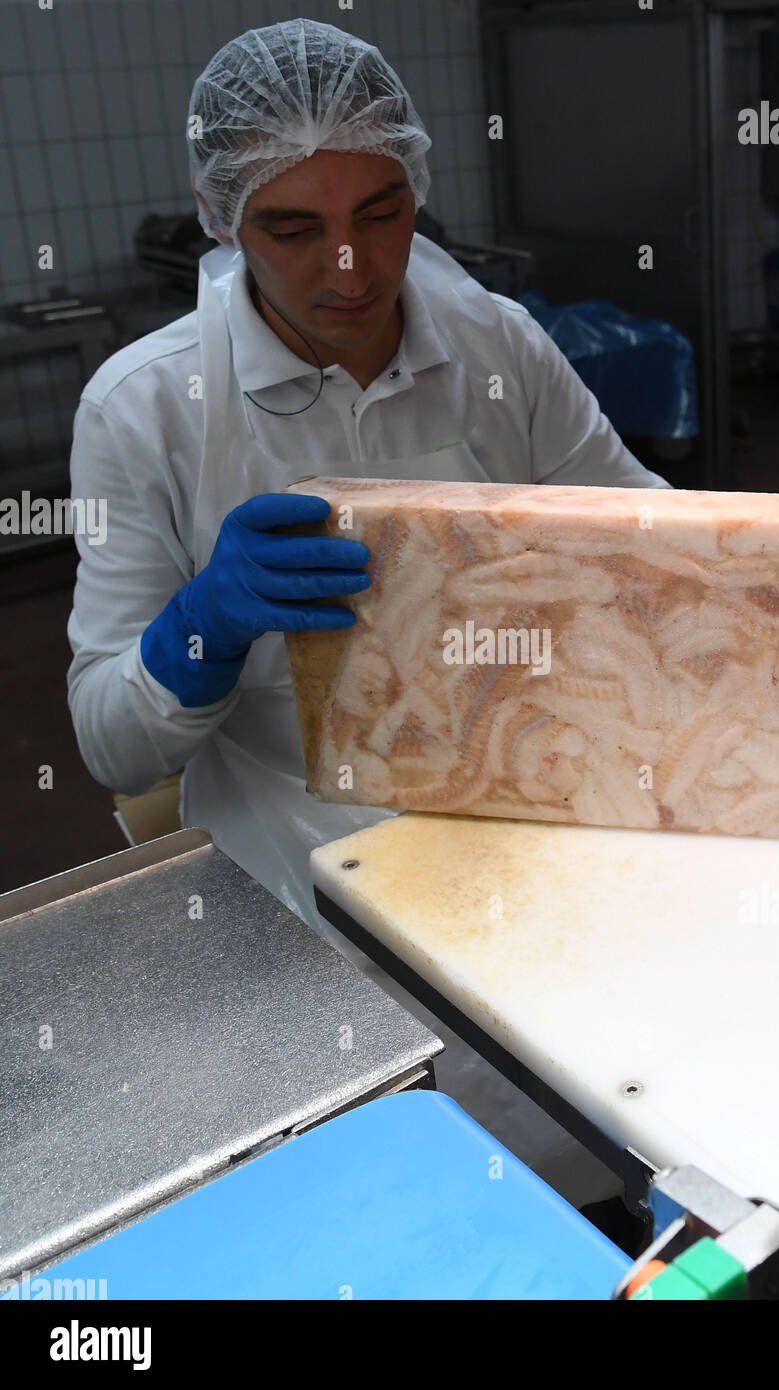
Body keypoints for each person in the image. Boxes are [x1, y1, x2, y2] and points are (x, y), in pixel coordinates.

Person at [67, 19, 671, 1176]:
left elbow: (646, 534)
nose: (348, 267)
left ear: (419, 188)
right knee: (393, 1191)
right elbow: (107, 741)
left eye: (379, 213)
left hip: (529, 829)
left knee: (600, 1162)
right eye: (293, 228)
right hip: (300, 879)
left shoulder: (496, 349)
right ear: (224, 219)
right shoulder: (144, 409)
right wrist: (203, 624)